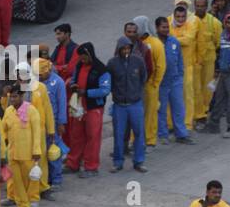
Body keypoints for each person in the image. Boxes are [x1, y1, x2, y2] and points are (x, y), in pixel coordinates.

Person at [65, 42, 110, 177]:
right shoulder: (79, 66)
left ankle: (91, 167)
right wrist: (73, 85)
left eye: (84, 57)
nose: (82, 60)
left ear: (90, 55)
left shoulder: (101, 70)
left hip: (93, 108)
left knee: (93, 137)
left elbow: (105, 90)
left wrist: (86, 92)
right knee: (76, 135)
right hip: (79, 106)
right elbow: (74, 78)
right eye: (80, 57)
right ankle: (73, 164)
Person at [15, 63, 56, 204]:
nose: (21, 77)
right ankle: (29, 190)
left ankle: (43, 188)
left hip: (40, 129)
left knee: (41, 159)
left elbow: (48, 109)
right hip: (23, 131)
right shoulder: (16, 89)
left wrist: (51, 130)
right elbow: (9, 109)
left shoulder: (40, 88)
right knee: (27, 160)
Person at [107, 36, 148, 173]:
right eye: (123, 48)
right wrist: (117, 95)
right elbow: (109, 82)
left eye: (128, 48)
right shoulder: (112, 63)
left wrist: (135, 92)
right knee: (118, 135)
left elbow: (144, 77)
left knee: (139, 133)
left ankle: (139, 161)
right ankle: (118, 162)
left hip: (135, 104)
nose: (126, 51)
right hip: (119, 106)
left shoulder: (138, 61)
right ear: (118, 49)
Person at [2, 87, 44, 207]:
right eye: (11, 97)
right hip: (13, 153)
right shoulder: (9, 111)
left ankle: (32, 199)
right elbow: (3, 129)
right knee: (17, 181)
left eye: (15, 96)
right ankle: (23, 206)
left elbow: (37, 133)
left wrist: (36, 150)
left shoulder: (32, 111)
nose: (13, 99)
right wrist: (3, 146)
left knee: (29, 180)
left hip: (28, 154)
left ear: (22, 96)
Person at [156, 16, 193, 145]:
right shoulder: (155, 43)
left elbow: (180, 60)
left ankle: (181, 135)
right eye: (163, 27)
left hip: (175, 80)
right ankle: (162, 135)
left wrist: (180, 76)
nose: (166, 29)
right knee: (161, 109)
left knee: (179, 108)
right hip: (161, 83)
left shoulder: (174, 42)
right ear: (157, 28)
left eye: (167, 27)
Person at [168, 0, 202, 130]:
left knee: (188, 95)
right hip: (172, 65)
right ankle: (171, 123)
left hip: (187, 65)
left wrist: (173, 39)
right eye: (179, 3)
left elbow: (189, 39)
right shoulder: (168, 20)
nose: (181, 19)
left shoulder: (193, 21)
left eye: (184, 3)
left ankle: (187, 124)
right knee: (171, 96)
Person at [134, 16, 165, 150]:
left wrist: (154, 84)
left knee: (150, 114)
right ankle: (134, 140)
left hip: (150, 86)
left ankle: (150, 141)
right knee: (136, 115)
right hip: (136, 87)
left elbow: (160, 66)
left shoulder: (156, 43)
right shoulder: (134, 43)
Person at [37, 57, 68, 188]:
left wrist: (61, 123)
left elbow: (62, 104)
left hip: (54, 123)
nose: (39, 75)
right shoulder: (36, 82)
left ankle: (56, 179)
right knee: (43, 152)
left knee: (53, 151)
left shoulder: (58, 82)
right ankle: (47, 177)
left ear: (48, 69)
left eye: (41, 73)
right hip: (39, 123)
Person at [193, 0, 221, 130]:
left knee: (207, 88)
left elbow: (218, 41)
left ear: (206, 6)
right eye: (197, 6)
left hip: (209, 60)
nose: (199, 8)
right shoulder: (190, 21)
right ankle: (197, 114)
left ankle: (203, 113)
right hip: (194, 61)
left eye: (202, 6)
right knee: (195, 88)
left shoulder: (214, 22)